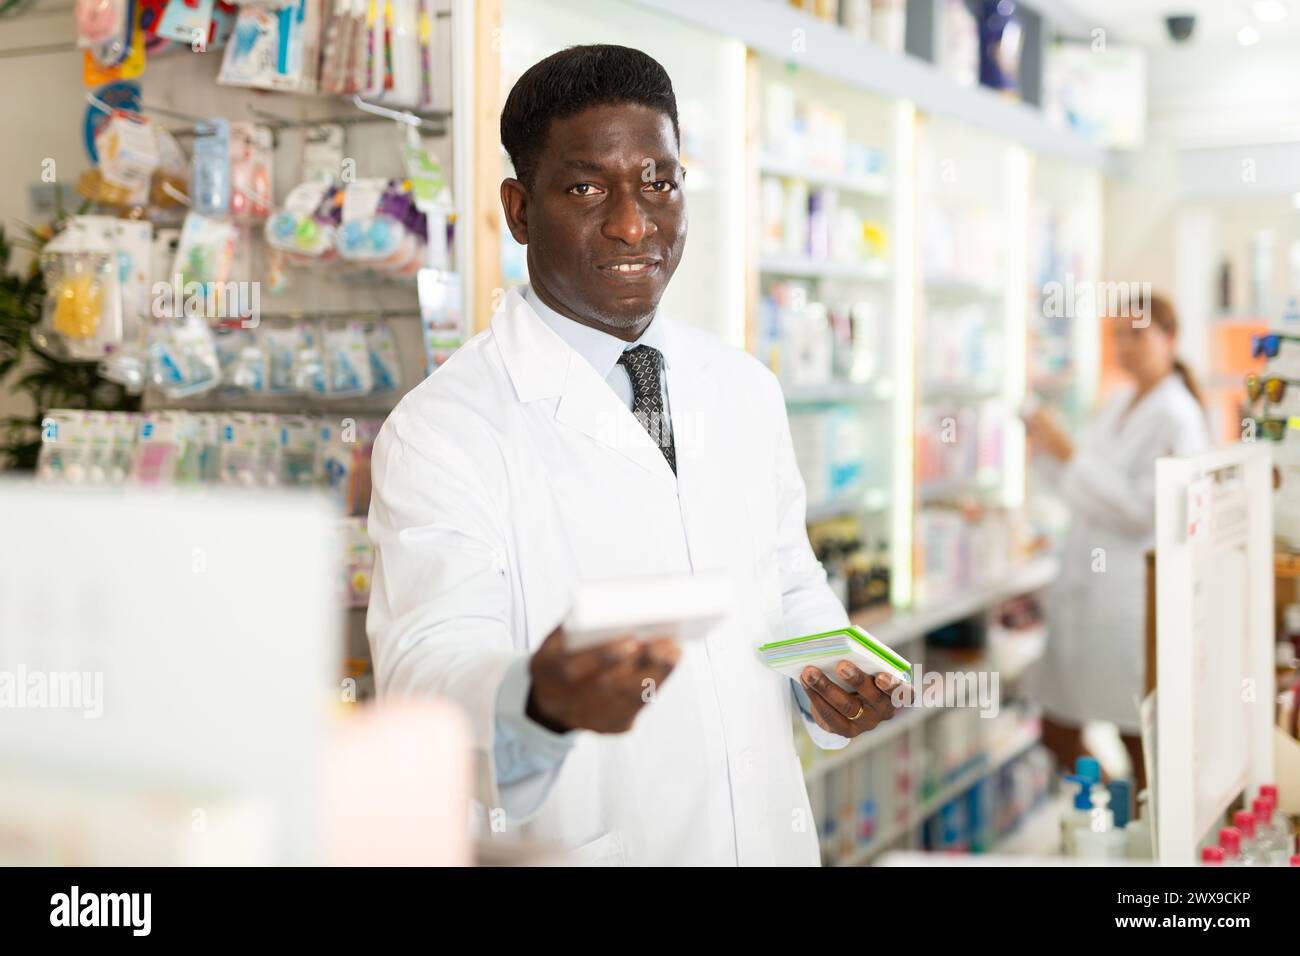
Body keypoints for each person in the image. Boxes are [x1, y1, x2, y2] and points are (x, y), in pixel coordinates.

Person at [365, 44, 896, 866]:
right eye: (585, 188)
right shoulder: (444, 429)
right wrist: (538, 697)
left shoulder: (744, 387)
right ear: (518, 209)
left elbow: (787, 580)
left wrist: (829, 675)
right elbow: (424, 669)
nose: (632, 221)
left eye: (659, 182)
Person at [1025, 291, 1211, 788]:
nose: (1125, 346)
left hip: (1131, 599)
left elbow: (1147, 512)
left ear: (1169, 338)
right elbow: (1082, 489)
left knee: (1136, 734)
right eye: (1117, 336)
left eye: (1137, 334)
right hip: (1086, 591)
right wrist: (1044, 449)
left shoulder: (1179, 415)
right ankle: (1116, 811)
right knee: (1057, 727)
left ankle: (1140, 837)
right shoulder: (1118, 402)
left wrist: (1070, 456)